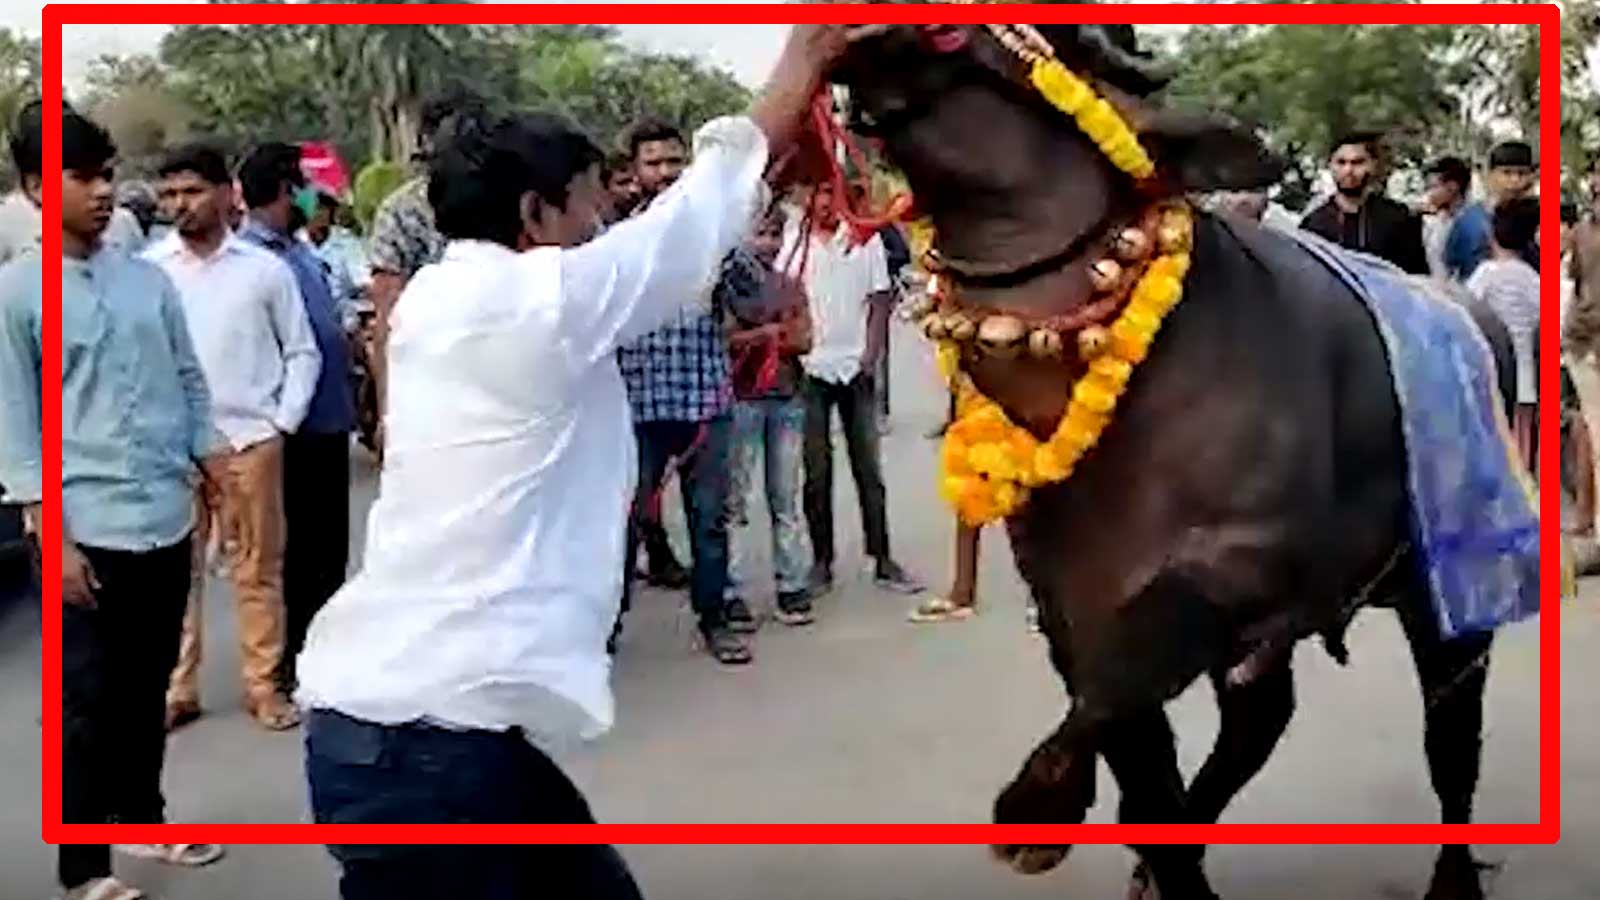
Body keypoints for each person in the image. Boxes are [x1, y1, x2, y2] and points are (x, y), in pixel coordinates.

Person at [294, 24, 873, 899]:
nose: (604, 225)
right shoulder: (533, 301)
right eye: (591, 205)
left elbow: (685, 239)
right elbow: (688, 226)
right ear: (535, 214)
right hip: (427, 752)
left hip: (405, 734)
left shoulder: (441, 295)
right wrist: (803, 57)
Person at [0, 106, 225, 900]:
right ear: (37, 188)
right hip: (82, 530)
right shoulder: (16, 295)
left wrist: (211, 463)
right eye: (82, 177)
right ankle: (84, 867)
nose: (103, 192)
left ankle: (144, 818)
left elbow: (189, 379)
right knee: (86, 701)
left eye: (107, 175)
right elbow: (15, 426)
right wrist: (51, 537)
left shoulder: (147, 281)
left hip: (163, 515)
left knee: (146, 684)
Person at [147, 142, 322, 732]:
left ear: (227, 195)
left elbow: (301, 351)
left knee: (258, 569)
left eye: (193, 191)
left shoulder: (263, 270)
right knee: (176, 574)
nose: (181, 204)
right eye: (170, 194)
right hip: (174, 450)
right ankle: (177, 688)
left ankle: (263, 686)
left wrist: (281, 423)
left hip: (250, 440)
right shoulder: (151, 271)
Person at [615, 117, 748, 664]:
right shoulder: (617, 240)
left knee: (709, 519)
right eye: (654, 163)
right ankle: (604, 631)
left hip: (704, 397)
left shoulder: (713, 235)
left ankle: (714, 618)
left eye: (675, 161)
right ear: (634, 173)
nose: (667, 172)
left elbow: (757, 298)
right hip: (636, 405)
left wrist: (733, 244)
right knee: (624, 523)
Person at [236, 143, 357, 696]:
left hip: (328, 421)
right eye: (306, 187)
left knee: (327, 547)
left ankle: (323, 647)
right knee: (293, 552)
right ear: (287, 190)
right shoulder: (250, 262)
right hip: (287, 429)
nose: (313, 198)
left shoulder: (300, 252)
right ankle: (287, 660)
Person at [784, 180, 923, 599]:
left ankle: (882, 558)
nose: (825, 202)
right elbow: (785, 299)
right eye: (817, 193)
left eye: (832, 193)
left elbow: (880, 299)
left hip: (855, 365)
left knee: (868, 469)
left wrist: (871, 354)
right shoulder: (794, 242)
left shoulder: (865, 240)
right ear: (805, 198)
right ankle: (821, 561)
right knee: (816, 471)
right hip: (811, 368)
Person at [366, 88, 486, 458]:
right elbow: (388, 319)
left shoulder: (514, 202)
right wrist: (388, 411)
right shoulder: (402, 211)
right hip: (430, 383)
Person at [721, 204, 816, 626]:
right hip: (742, 398)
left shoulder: (790, 285)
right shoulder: (728, 285)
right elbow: (725, 340)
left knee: (785, 497)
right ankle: (732, 590)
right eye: (760, 234)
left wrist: (762, 335)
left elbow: (805, 339)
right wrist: (770, 333)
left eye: (775, 234)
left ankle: (792, 585)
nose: (768, 244)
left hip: (786, 398)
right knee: (736, 500)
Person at [1466, 196, 1541, 468]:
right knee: (1522, 444)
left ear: (1492, 234)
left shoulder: (1486, 273)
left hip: (1492, 371)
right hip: (1526, 376)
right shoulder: (1533, 278)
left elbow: (1466, 308)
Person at [1299, 131, 1428, 274]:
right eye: (1341, 162)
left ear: (1373, 165)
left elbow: (1416, 278)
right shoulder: (1313, 224)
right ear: (1330, 166)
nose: (1348, 170)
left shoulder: (1399, 218)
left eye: (1357, 162)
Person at [1446, 140, 1539, 280]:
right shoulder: (1467, 220)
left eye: (1522, 173)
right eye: (1506, 173)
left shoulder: (1539, 220)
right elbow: (1450, 268)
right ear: (1490, 175)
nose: (1515, 180)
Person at [305, 191, 371, 326]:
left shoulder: (346, 241)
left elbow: (362, 279)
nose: (320, 213)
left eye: (324, 208)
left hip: (344, 315)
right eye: (316, 208)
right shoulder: (295, 245)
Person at [1420, 156, 1472, 281]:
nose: (1428, 194)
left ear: (1452, 187)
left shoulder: (1469, 223)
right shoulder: (1435, 220)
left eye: (1433, 187)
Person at [602, 152, 642, 224]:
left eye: (636, 181)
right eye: (623, 183)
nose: (633, 189)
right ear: (607, 188)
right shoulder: (604, 227)